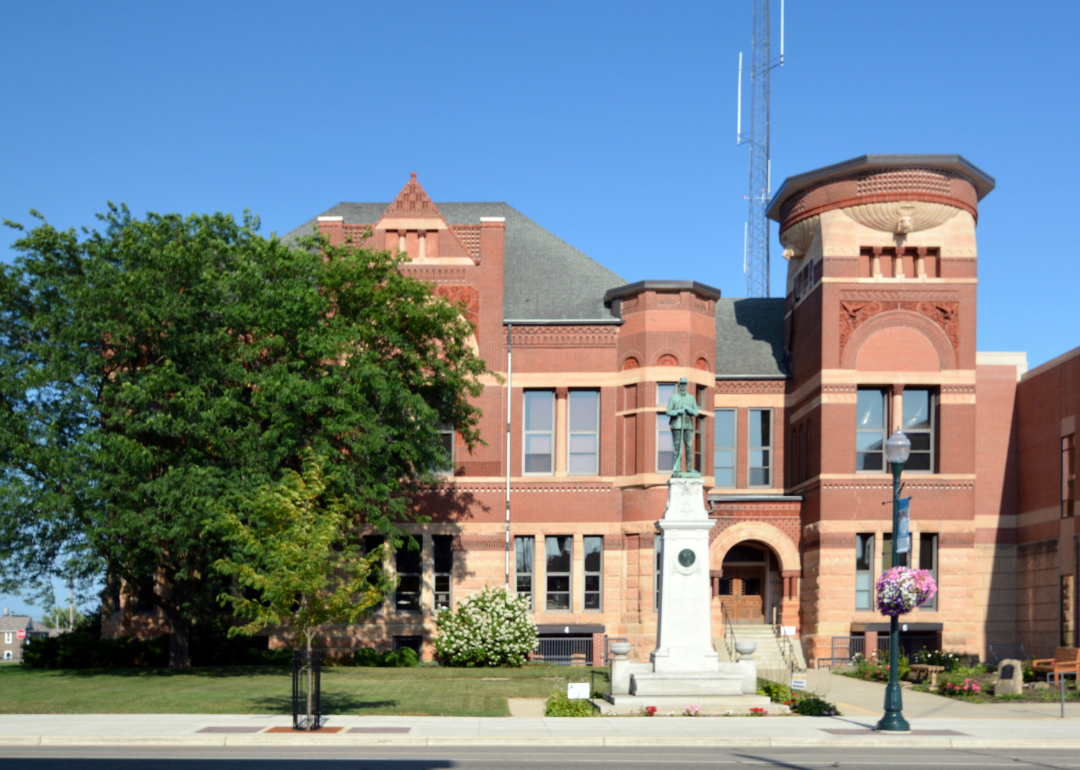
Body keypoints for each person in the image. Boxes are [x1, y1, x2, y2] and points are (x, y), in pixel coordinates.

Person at [665, 377, 699, 476]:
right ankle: (677, 469)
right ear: (679, 385)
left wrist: (688, 408)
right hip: (677, 425)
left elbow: (696, 413)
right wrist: (677, 412)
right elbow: (668, 411)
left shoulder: (691, 398)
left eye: (684, 384)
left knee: (689, 446)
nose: (683, 386)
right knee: (678, 447)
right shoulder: (673, 398)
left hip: (688, 425)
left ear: (687, 385)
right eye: (681, 384)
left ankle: (690, 468)